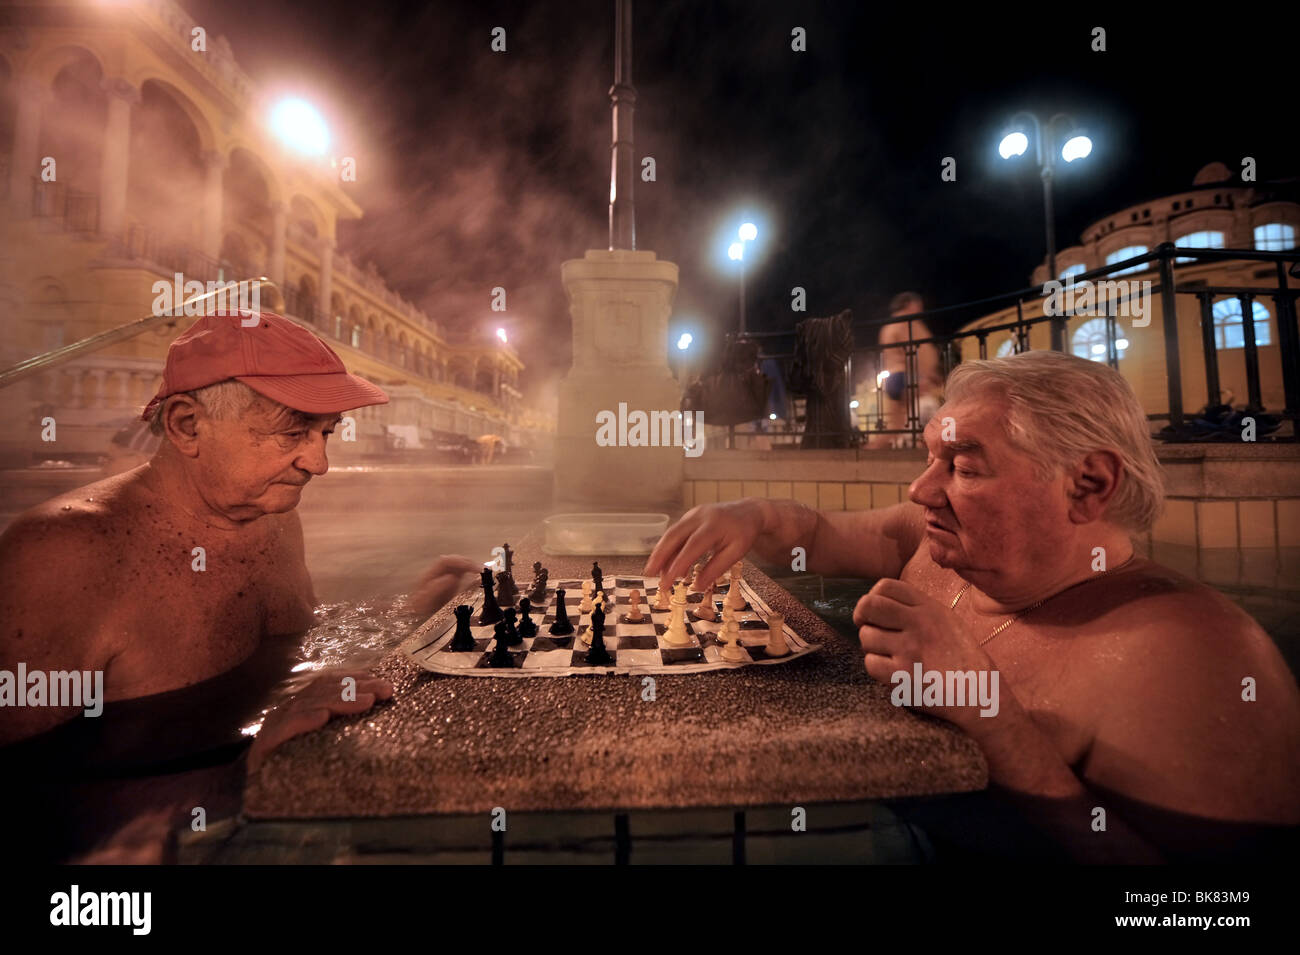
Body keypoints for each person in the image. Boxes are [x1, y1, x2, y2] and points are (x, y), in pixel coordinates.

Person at [646, 350, 1300, 862]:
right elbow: (814, 532)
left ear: (1089, 483)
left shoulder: (1192, 658)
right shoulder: (933, 547)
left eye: (964, 465)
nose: (921, 487)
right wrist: (750, 514)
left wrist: (999, 722)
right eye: (932, 455)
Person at [0, 310, 479, 761]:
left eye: (326, 433)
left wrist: (406, 618)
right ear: (187, 425)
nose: (319, 464)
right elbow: (24, 796)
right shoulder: (63, 555)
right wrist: (240, 773)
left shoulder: (271, 516)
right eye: (292, 434)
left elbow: (299, 649)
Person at [868, 291, 944, 449]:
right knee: (932, 410)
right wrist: (929, 375)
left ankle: (872, 449)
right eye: (918, 305)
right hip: (906, 376)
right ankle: (937, 443)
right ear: (909, 305)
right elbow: (918, 352)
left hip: (894, 377)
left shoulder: (888, 326)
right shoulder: (909, 324)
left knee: (897, 422)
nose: (921, 309)